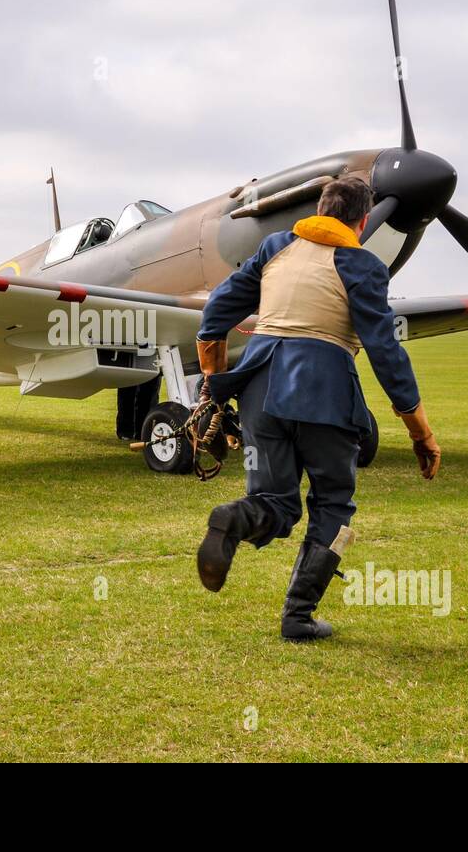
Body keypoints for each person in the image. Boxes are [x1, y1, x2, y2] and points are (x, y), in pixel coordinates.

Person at [194, 176, 441, 641]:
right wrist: (420, 432)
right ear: (362, 220)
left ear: (321, 209)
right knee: (332, 505)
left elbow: (215, 315)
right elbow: (386, 354)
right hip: (324, 392)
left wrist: (213, 381)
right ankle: (298, 616)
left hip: (259, 390)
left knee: (274, 503)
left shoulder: (274, 247)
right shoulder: (364, 265)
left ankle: (233, 518)